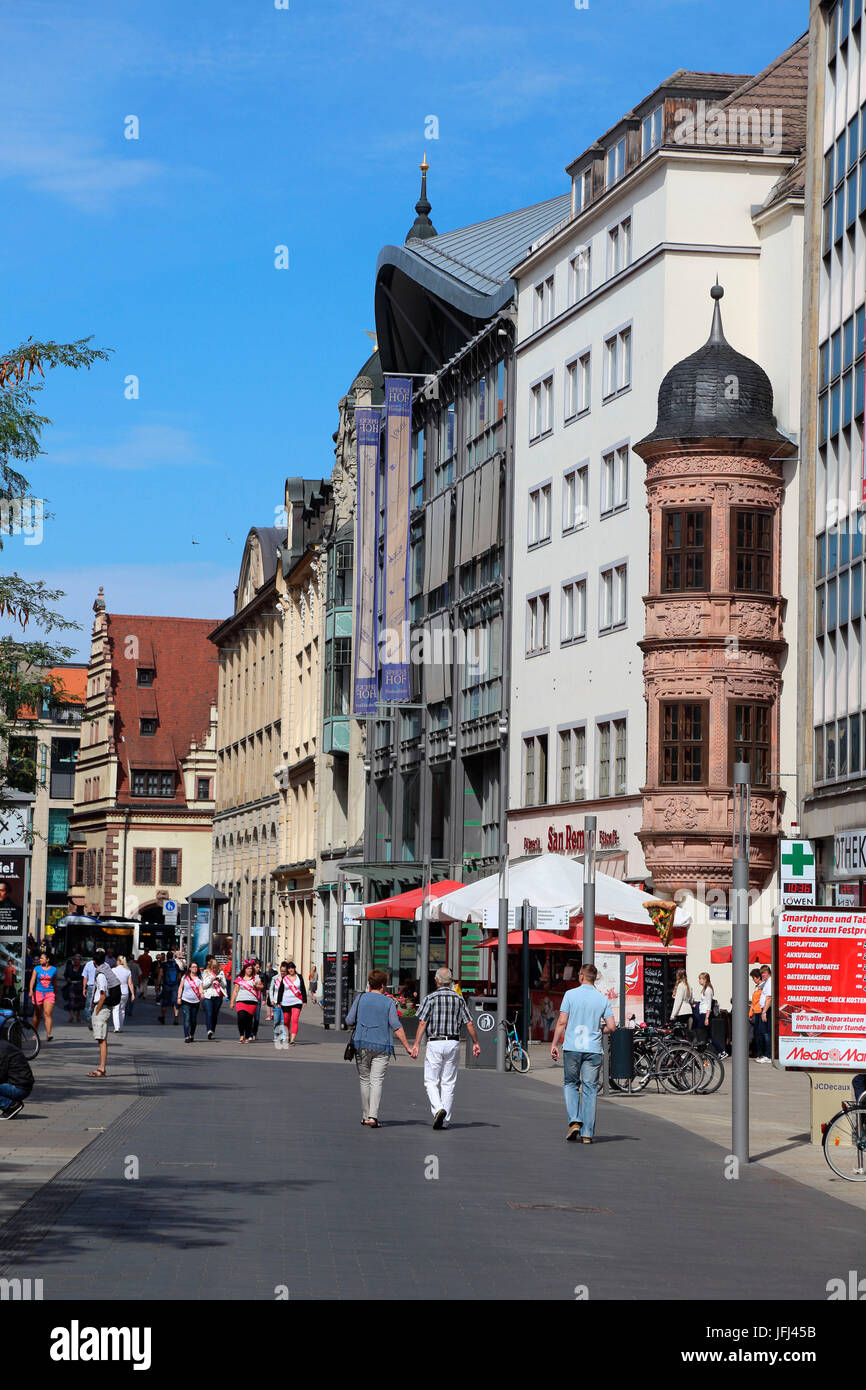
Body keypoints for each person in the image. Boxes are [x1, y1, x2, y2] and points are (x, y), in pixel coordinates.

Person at [550, 962, 616, 1143]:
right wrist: (598, 1031)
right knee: (590, 1089)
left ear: (581, 976)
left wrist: (555, 1043)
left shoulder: (570, 995)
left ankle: (574, 1121)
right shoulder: (602, 999)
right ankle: (587, 1133)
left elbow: (562, 1021)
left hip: (572, 1048)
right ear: (594, 979)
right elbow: (612, 1027)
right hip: (593, 1050)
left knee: (571, 1084)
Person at [411, 967, 481, 1128]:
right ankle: (445, 1120)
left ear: (436, 981)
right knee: (448, 1082)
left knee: (431, 1080)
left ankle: (439, 1108)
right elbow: (469, 1023)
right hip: (453, 1042)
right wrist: (476, 1043)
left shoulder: (430, 998)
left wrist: (416, 1044)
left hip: (435, 1042)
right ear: (450, 981)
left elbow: (422, 1022)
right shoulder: (459, 999)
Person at [345, 969, 413, 1127]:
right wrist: (408, 1047)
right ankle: (373, 1117)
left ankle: (364, 1115)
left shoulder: (360, 998)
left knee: (364, 1079)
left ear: (370, 984)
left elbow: (349, 1020)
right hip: (382, 1046)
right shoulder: (388, 1002)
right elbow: (396, 1027)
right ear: (383, 985)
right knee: (376, 1081)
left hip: (361, 1043)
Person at [88, 950, 121, 1077]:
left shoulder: (101, 974)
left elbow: (102, 995)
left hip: (102, 1008)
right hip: (104, 1007)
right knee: (101, 1039)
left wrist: (97, 1010)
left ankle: (101, 1068)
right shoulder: (106, 968)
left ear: (94, 962)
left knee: (101, 1039)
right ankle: (101, 1067)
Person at [0, 1038, 34, 1119]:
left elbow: (1, 1074)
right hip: (20, 1084)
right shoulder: (3, 1045)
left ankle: (10, 1105)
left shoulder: (2, 1049)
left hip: (19, 1088)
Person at [29, 951, 58, 1042]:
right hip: (38, 993)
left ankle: (48, 1034)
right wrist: (31, 990)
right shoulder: (37, 968)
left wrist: (55, 993)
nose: (40, 960)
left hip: (49, 993)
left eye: (42, 958)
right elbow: (32, 980)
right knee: (38, 1015)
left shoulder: (54, 969)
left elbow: (54, 982)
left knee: (48, 1014)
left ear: (47, 959)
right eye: (40, 958)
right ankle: (35, 1032)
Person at [276, 960, 306, 1045]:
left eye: (292, 968)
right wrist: (278, 1002)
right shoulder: (285, 978)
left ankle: (292, 1040)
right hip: (286, 1002)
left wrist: (304, 1000)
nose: (291, 970)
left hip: (297, 1001)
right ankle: (287, 1036)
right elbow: (280, 991)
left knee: (295, 1019)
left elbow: (303, 988)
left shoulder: (299, 977)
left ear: (295, 968)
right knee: (286, 1021)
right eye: (289, 968)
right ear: (287, 969)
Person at [230, 961, 262, 1043]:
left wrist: (257, 986)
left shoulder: (256, 978)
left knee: (249, 1020)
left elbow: (261, 986)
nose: (250, 970)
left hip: (252, 1001)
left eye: (251, 969)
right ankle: (241, 1035)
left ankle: (247, 1036)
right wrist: (232, 1002)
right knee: (241, 1017)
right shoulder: (239, 979)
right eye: (248, 968)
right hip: (241, 1001)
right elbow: (235, 991)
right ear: (244, 969)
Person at [177, 962, 204, 1042]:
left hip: (196, 1001)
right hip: (186, 1000)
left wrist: (202, 994)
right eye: (193, 967)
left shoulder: (199, 978)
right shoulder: (185, 977)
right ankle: (186, 1036)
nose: (195, 968)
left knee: (193, 1020)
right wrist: (179, 997)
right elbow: (181, 987)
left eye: (196, 967)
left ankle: (192, 1034)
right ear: (190, 968)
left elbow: (200, 988)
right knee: (187, 1018)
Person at [202, 956, 227, 1038]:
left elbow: (225, 985)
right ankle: (209, 1030)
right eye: (213, 968)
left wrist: (220, 981)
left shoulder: (221, 973)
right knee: (209, 1013)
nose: (215, 970)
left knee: (215, 1014)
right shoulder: (206, 972)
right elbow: (204, 986)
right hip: (208, 996)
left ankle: (212, 1030)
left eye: (216, 968)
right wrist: (211, 980)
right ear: (210, 967)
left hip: (218, 996)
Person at [158, 951, 182, 1025]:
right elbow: (179, 975)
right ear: (173, 956)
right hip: (175, 985)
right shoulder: (175, 965)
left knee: (164, 1002)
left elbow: (160, 974)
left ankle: (163, 1017)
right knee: (175, 1002)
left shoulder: (164, 964)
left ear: (166, 957)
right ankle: (176, 1018)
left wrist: (158, 985)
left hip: (166, 986)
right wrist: (178, 982)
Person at [113, 955, 134, 1032]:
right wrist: (133, 994)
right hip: (125, 991)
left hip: (116, 991)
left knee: (116, 1009)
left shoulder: (114, 970)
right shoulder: (128, 971)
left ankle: (117, 1027)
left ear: (119, 961)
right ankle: (121, 1027)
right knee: (122, 1010)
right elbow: (130, 983)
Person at [756, 965, 772, 1063]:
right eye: (761, 973)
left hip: (767, 1010)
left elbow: (769, 998)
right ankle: (767, 1055)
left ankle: (768, 1055)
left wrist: (764, 1012)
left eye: (764, 973)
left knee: (766, 1033)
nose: (763, 975)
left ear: (768, 972)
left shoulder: (770, 982)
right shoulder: (766, 982)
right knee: (764, 1032)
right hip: (764, 1009)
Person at [64, 954, 86, 1024]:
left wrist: (84, 986)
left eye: (78, 960)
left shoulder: (82, 968)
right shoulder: (69, 967)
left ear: (80, 961)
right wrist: (67, 978)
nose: (76, 961)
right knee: (71, 1001)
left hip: (79, 986)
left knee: (79, 1002)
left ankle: (78, 1016)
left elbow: (84, 977)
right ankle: (71, 1016)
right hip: (71, 985)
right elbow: (66, 974)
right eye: (75, 960)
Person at [748, 968, 763, 1058]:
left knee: (760, 1034)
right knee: (755, 1034)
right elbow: (753, 1003)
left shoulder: (762, 987)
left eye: (753, 977)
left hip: (760, 1012)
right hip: (754, 1012)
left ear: (757, 977)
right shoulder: (756, 987)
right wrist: (750, 1013)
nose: (753, 980)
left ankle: (761, 1053)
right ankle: (757, 1053)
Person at [82, 954, 97, 1026]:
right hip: (97, 987)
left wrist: (84, 988)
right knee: (96, 1005)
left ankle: (91, 1019)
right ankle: (93, 1019)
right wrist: (84, 988)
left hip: (91, 987)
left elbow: (85, 977)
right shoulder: (105, 964)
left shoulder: (88, 964)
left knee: (88, 1005)